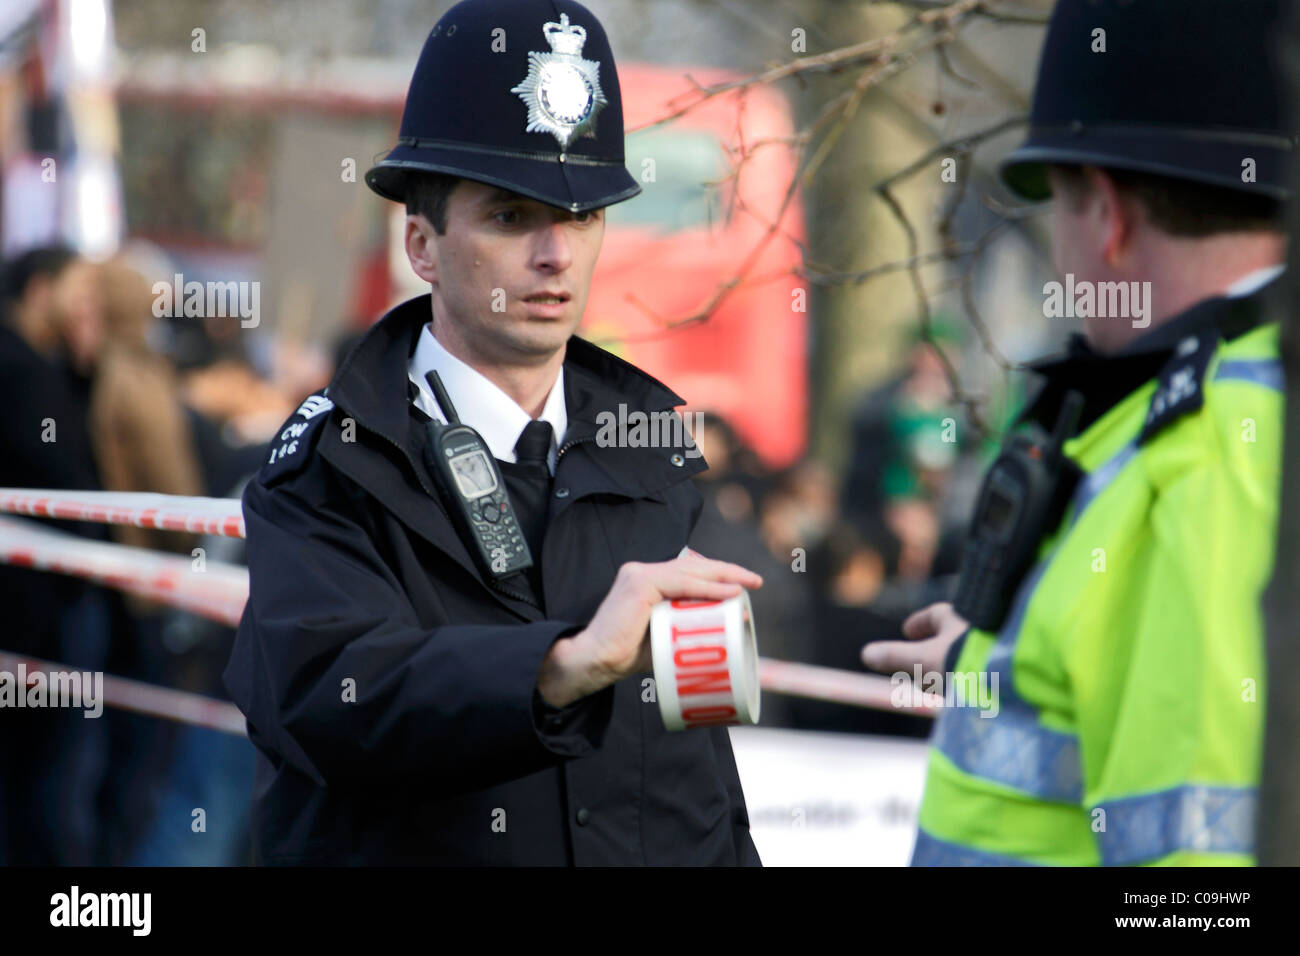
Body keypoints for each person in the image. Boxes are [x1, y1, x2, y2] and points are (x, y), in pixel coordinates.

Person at [223, 0, 764, 866]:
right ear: (423, 246)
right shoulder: (329, 465)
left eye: (583, 217)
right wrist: (561, 667)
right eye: (511, 217)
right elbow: (325, 701)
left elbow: (702, 785)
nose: (556, 254)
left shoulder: (648, 453)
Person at [863, 0, 1289, 865]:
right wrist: (1008, 660)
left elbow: (1197, 878)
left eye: (1055, 207)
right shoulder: (1215, 410)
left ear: (1107, 211)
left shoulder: (1204, 454)